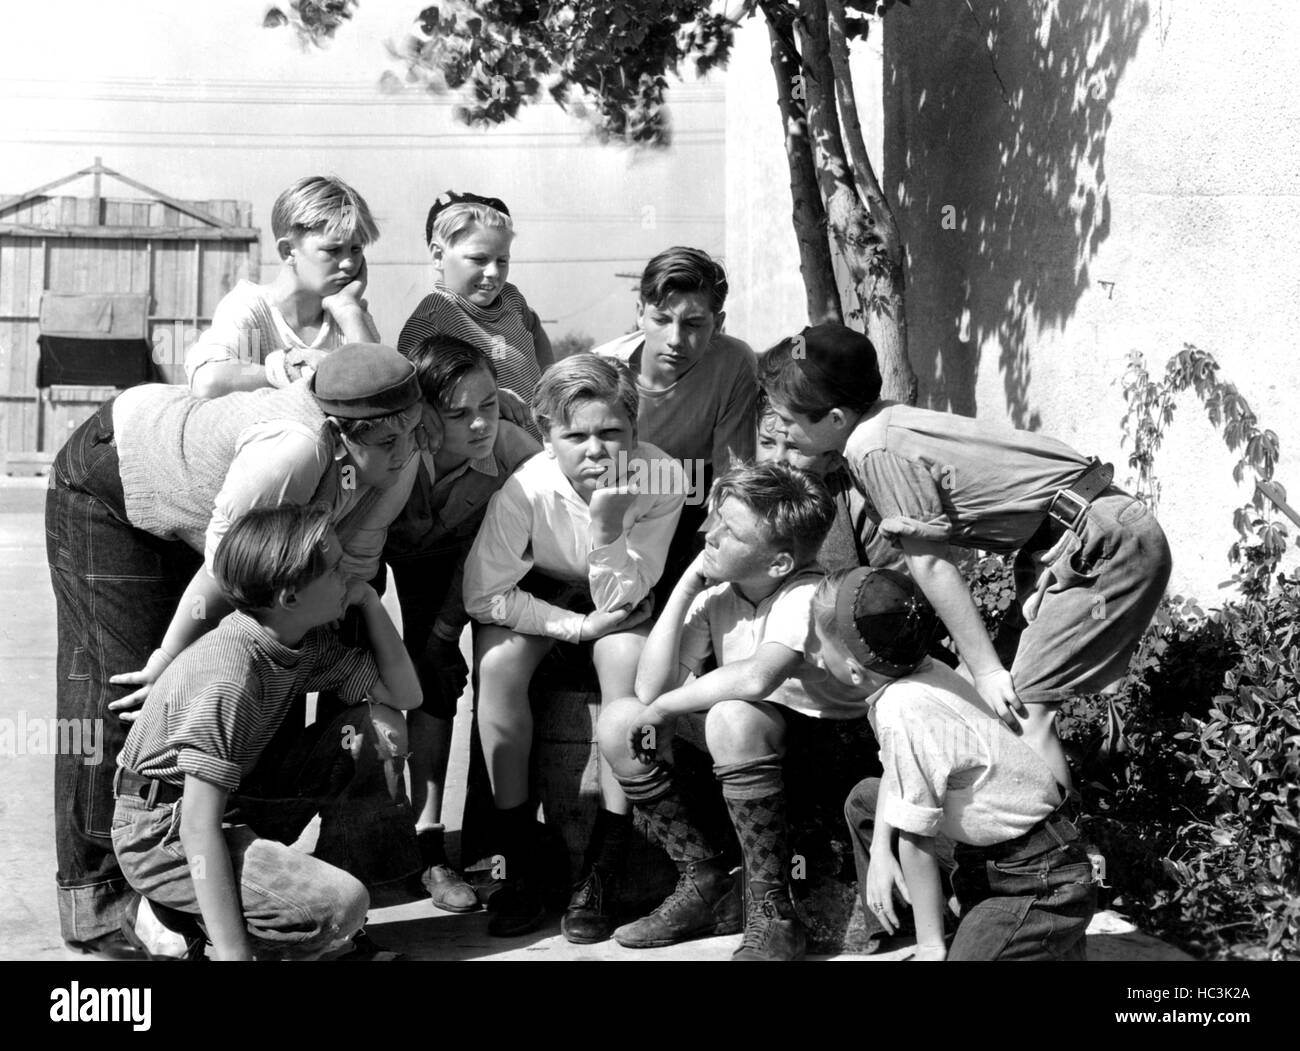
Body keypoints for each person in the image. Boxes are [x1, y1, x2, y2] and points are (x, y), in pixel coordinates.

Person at [46, 342, 423, 957]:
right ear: (341, 433)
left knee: (357, 727)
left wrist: (363, 599)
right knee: (117, 688)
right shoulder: (293, 450)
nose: (407, 452)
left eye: (414, 432)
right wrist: (170, 661)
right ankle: (105, 906)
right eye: (390, 441)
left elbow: (355, 580)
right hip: (116, 475)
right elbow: (224, 568)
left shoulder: (386, 455)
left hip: (247, 539)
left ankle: (289, 905)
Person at [758, 322, 1172, 790]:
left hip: (1102, 544)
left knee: (1021, 713)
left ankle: (1055, 858)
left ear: (835, 419)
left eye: (790, 426)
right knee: (979, 698)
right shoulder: (886, 424)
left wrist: (988, 668)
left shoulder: (873, 450)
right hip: (1077, 536)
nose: (783, 437)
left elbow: (931, 564)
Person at [112, 506, 422, 961]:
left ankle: (339, 933)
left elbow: (404, 695)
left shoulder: (297, 640)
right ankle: (173, 922)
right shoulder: (230, 676)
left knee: (380, 729)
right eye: (336, 569)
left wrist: (370, 602)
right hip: (163, 831)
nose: (349, 575)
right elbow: (198, 828)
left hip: (234, 803)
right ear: (290, 597)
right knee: (341, 906)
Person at [463, 354, 685, 940]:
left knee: (627, 671)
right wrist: (572, 627)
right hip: (540, 595)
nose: (595, 449)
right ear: (546, 437)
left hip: (623, 591)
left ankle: (603, 864)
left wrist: (608, 527)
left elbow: (624, 594)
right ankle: (519, 861)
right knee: (498, 664)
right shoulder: (525, 489)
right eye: (575, 435)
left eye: (612, 432)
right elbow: (483, 595)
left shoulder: (662, 478)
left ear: (635, 432)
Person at [598, 461, 852, 961]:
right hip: (749, 760)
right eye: (715, 519)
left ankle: (773, 910)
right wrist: (688, 582)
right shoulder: (719, 595)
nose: (708, 534)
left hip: (824, 757)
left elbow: (758, 677)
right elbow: (651, 688)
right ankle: (706, 883)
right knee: (621, 722)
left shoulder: (806, 592)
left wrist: (667, 707)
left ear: (779, 562)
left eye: (728, 531)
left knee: (731, 713)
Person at [813, 566, 1097, 960]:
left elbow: (917, 839)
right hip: (1004, 855)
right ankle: (963, 926)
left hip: (1039, 879)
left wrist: (931, 950)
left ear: (853, 668)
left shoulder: (902, 708)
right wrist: (880, 850)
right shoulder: (925, 670)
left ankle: (984, 934)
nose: (813, 653)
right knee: (866, 798)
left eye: (818, 643)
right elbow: (900, 781)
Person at [383, 335, 539, 911]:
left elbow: (490, 561)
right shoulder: (393, 447)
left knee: (437, 673)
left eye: (490, 406)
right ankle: (366, 840)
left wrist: (445, 632)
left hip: (464, 562)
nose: (480, 425)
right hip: (369, 555)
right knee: (354, 670)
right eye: (459, 413)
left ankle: (434, 848)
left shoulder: (516, 453)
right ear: (424, 416)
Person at [594, 246, 758, 599]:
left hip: (692, 493)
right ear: (640, 313)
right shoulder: (603, 369)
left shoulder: (734, 362)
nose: (675, 340)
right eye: (662, 320)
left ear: (719, 323)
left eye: (694, 324)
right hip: (619, 494)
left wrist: (712, 566)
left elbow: (731, 475)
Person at [186, 175, 382, 397]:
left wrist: (348, 310)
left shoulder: (348, 314)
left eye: (356, 250)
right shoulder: (249, 306)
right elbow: (208, 382)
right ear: (288, 251)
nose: (348, 263)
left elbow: (377, 391)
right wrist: (309, 374)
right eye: (333, 250)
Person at [397, 191, 553, 438]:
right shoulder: (433, 317)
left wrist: (550, 383)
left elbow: (534, 330)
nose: (492, 271)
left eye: (502, 261)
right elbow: (413, 386)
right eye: (479, 259)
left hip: (537, 438)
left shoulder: (511, 298)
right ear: (438, 256)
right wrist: (487, 397)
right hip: (483, 448)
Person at [754, 395, 901, 573]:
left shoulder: (866, 510)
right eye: (766, 443)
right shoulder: (737, 500)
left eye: (795, 448)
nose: (777, 459)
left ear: (834, 460)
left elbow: (891, 587)